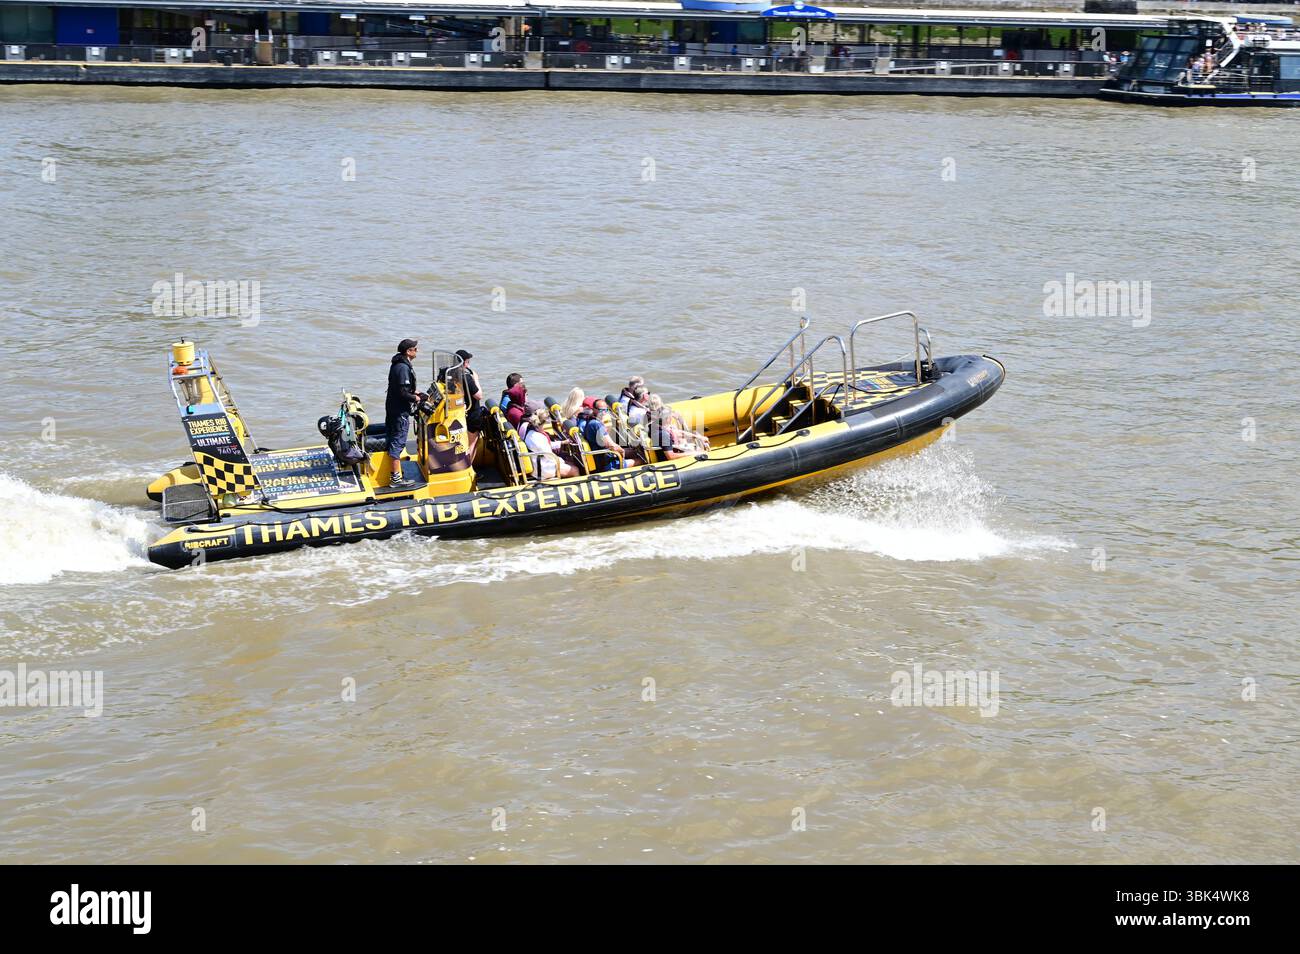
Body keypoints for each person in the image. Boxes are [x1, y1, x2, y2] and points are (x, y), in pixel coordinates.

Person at [384, 338, 426, 488]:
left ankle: (394, 472)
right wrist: (416, 398)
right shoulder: (402, 367)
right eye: (415, 349)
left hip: (393, 408)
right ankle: (396, 479)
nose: (417, 351)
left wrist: (417, 392)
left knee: (395, 438)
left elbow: (401, 387)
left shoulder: (398, 364)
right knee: (398, 440)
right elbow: (402, 392)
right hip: (399, 410)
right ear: (408, 351)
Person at [521, 408, 578, 480]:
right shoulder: (538, 437)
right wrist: (563, 461)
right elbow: (550, 456)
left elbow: (546, 446)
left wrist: (562, 442)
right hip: (544, 469)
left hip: (540, 463)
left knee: (569, 462)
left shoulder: (530, 432)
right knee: (575, 470)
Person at [578, 401, 626, 471]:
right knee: (639, 460)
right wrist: (622, 451)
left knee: (631, 451)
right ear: (594, 409)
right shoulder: (596, 424)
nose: (604, 413)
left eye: (605, 410)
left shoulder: (589, 420)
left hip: (598, 456)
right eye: (601, 410)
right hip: (605, 462)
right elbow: (612, 446)